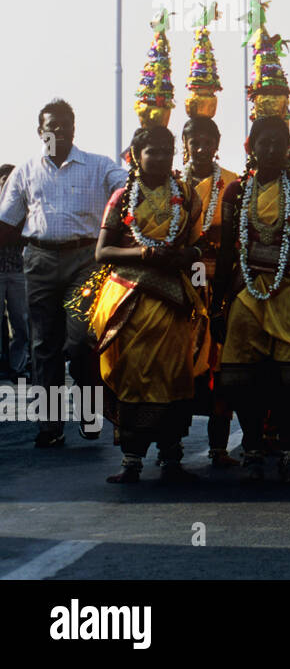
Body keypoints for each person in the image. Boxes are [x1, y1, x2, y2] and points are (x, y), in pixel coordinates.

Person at [0, 99, 127, 447]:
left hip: (85, 261)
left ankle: (89, 414)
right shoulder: (24, 172)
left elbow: (131, 190)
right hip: (39, 261)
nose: (56, 131)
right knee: (44, 347)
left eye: (63, 125)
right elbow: (6, 223)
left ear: (74, 129)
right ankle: (50, 426)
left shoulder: (100, 166)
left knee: (82, 341)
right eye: (49, 126)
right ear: (39, 131)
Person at [212, 115, 290, 482]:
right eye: (265, 143)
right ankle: (252, 445)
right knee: (237, 377)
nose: (273, 150)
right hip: (246, 294)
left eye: (280, 144)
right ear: (251, 148)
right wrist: (217, 305)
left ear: (289, 150)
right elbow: (228, 250)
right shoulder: (236, 192)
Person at [90, 126, 205, 483]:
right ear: (135, 155)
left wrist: (186, 255)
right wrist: (143, 252)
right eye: (152, 151)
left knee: (173, 375)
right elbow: (102, 252)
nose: (160, 158)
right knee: (135, 376)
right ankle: (131, 460)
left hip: (172, 301)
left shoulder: (186, 197)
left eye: (166, 151)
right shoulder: (123, 196)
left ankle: (172, 458)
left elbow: (198, 247)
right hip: (131, 301)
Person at [180, 116, 242, 468]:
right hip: (182, 286)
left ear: (217, 144)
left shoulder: (232, 184)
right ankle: (170, 445)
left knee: (222, 365)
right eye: (194, 142)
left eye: (208, 142)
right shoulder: (171, 187)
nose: (201, 149)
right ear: (184, 145)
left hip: (223, 284)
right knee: (180, 362)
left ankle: (219, 447)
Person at [0, 165, 29, 381]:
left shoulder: (23, 207)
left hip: (18, 270)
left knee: (21, 322)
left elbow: (25, 235)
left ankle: (16, 365)